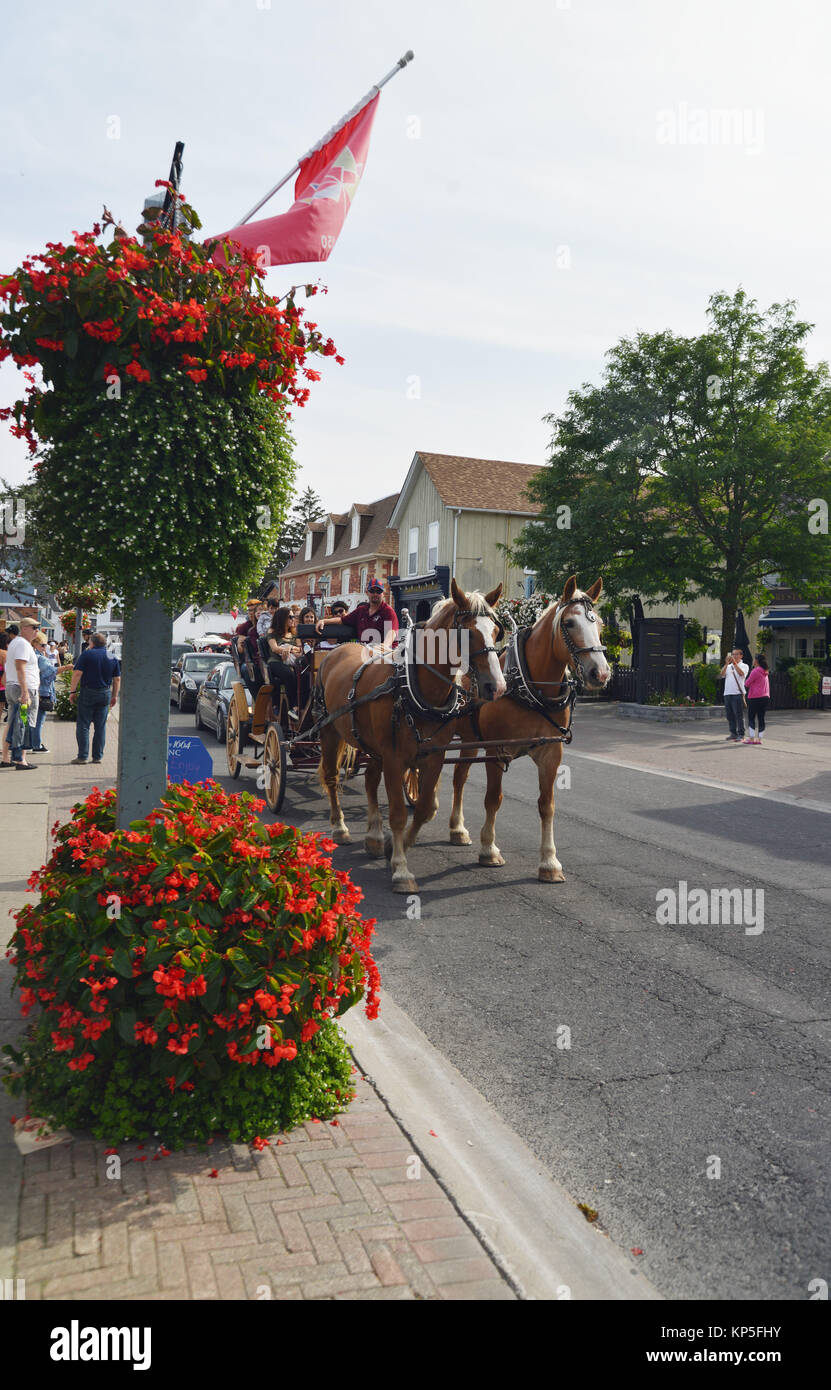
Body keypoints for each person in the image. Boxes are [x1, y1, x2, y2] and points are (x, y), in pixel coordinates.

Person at [69, 631, 121, 764]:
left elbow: (77, 674)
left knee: (83, 724)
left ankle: (83, 756)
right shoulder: (112, 656)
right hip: (105, 693)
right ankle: (97, 756)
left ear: (92, 643)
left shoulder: (87, 654)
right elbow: (117, 679)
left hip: (88, 692)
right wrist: (114, 696)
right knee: (100, 726)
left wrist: (72, 691)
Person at [1, 616, 41, 770]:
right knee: (25, 723)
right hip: (23, 690)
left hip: (13, 686)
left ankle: (6, 758)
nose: (36, 630)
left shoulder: (14, 644)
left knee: (13, 723)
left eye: (37, 628)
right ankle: (20, 759)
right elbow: (20, 668)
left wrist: (8, 683)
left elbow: (9, 667)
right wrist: (25, 693)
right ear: (24, 628)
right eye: (33, 627)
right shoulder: (23, 644)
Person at [316, 579, 398, 647]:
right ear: (367, 593)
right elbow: (342, 620)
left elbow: (391, 633)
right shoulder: (361, 610)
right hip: (365, 652)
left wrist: (383, 647)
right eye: (372, 591)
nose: (375, 594)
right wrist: (324, 621)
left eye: (379, 591)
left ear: (383, 594)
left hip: (385, 654)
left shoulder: (387, 611)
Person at [266, 608, 307, 721]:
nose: (293, 619)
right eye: (290, 617)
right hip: (275, 662)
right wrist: (287, 650)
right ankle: (293, 706)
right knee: (288, 674)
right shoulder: (272, 632)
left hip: (292, 662)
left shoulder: (294, 634)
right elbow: (274, 648)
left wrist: (289, 648)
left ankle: (302, 705)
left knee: (305, 676)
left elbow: (300, 650)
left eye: (293, 617)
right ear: (282, 618)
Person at [23, 631, 57, 754]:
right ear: (35, 644)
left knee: (30, 718)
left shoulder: (31, 655)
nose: (45, 647)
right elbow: (51, 672)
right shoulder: (40, 658)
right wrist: (66, 668)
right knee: (38, 720)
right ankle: (36, 744)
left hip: (32, 689)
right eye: (42, 645)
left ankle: (27, 743)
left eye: (46, 645)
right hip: (41, 691)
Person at [720, 647, 749, 742]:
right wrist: (726, 663)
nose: (734, 656)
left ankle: (741, 734)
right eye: (733, 654)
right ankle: (733, 733)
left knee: (739, 715)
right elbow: (721, 674)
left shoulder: (744, 665)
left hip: (737, 694)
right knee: (730, 715)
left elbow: (741, 674)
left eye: (736, 654)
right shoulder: (728, 666)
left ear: (741, 656)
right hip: (727, 693)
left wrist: (735, 663)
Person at [743, 655, 770, 745]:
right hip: (765, 697)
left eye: (754, 659)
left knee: (751, 717)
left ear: (757, 661)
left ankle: (751, 738)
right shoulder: (765, 671)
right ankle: (759, 739)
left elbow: (747, 683)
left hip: (754, 697)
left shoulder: (755, 671)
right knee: (761, 718)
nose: (753, 660)